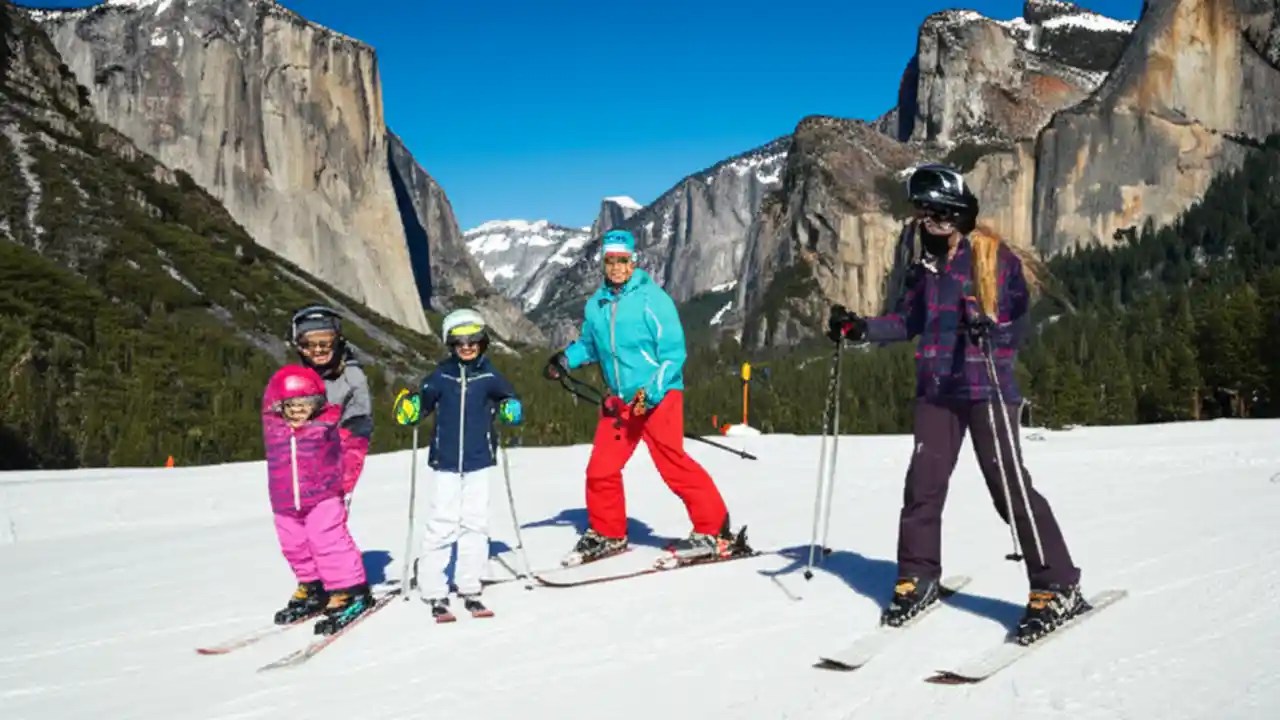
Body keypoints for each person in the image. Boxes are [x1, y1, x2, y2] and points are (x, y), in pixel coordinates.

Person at [827, 163, 1086, 645]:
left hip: (986, 386)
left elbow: (1019, 323)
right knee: (922, 486)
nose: (931, 224)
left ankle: (1057, 584)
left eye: (940, 216)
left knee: (1008, 487)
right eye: (925, 216)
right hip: (936, 390)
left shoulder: (995, 258)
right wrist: (860, 328)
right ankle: (917, 575)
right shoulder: (923, 268)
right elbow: (907, 322)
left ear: (960, 215)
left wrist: (995, 330)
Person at [543, 229, 744, 567]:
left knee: (672, 464)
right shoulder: (597, 305)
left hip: (660, 395)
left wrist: (650, 394)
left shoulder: (654, 300)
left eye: (623, 260)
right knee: (600, 469)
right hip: (620, 402)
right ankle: (609, 532)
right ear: (604, 263)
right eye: (611, 261)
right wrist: (565, 359)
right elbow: (590, 345)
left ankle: (715, 529)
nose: (617, 267)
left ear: (633, 261)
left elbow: (673, 354)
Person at [392, 309, 523, 620]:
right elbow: (421, 404)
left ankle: (469, 584)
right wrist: (409, 408)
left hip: (479, 459)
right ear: (449, 343)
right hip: (446, 461)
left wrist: (511, 409)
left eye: (473, 340)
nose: (467, 346)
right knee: (442, 523)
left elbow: (508, 397)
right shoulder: (441, 376)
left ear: (483, 341)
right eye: (459, 341)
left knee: (475, 523)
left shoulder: (490, 376)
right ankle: (434, 588)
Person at [263, 364, 373, 635]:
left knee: (328, 540)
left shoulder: (326, 426)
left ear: (318, 404)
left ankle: (350, 590)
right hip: (286, 502)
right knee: (294, 545)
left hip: (323, 497)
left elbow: (352, 443)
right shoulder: (275, 428)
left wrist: (345, 482)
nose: (298, 410)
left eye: (306, 404)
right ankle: (313, 585)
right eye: (291, 405)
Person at [289, 305, 373, 509]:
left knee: (327, 530)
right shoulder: (294, 379)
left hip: (334, 477)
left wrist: (341, 483)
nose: (317, 350)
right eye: (308, 344)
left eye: (325, 343)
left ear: (337, 342)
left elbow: (356, 436)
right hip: (299, 476)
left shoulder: (352, 379)